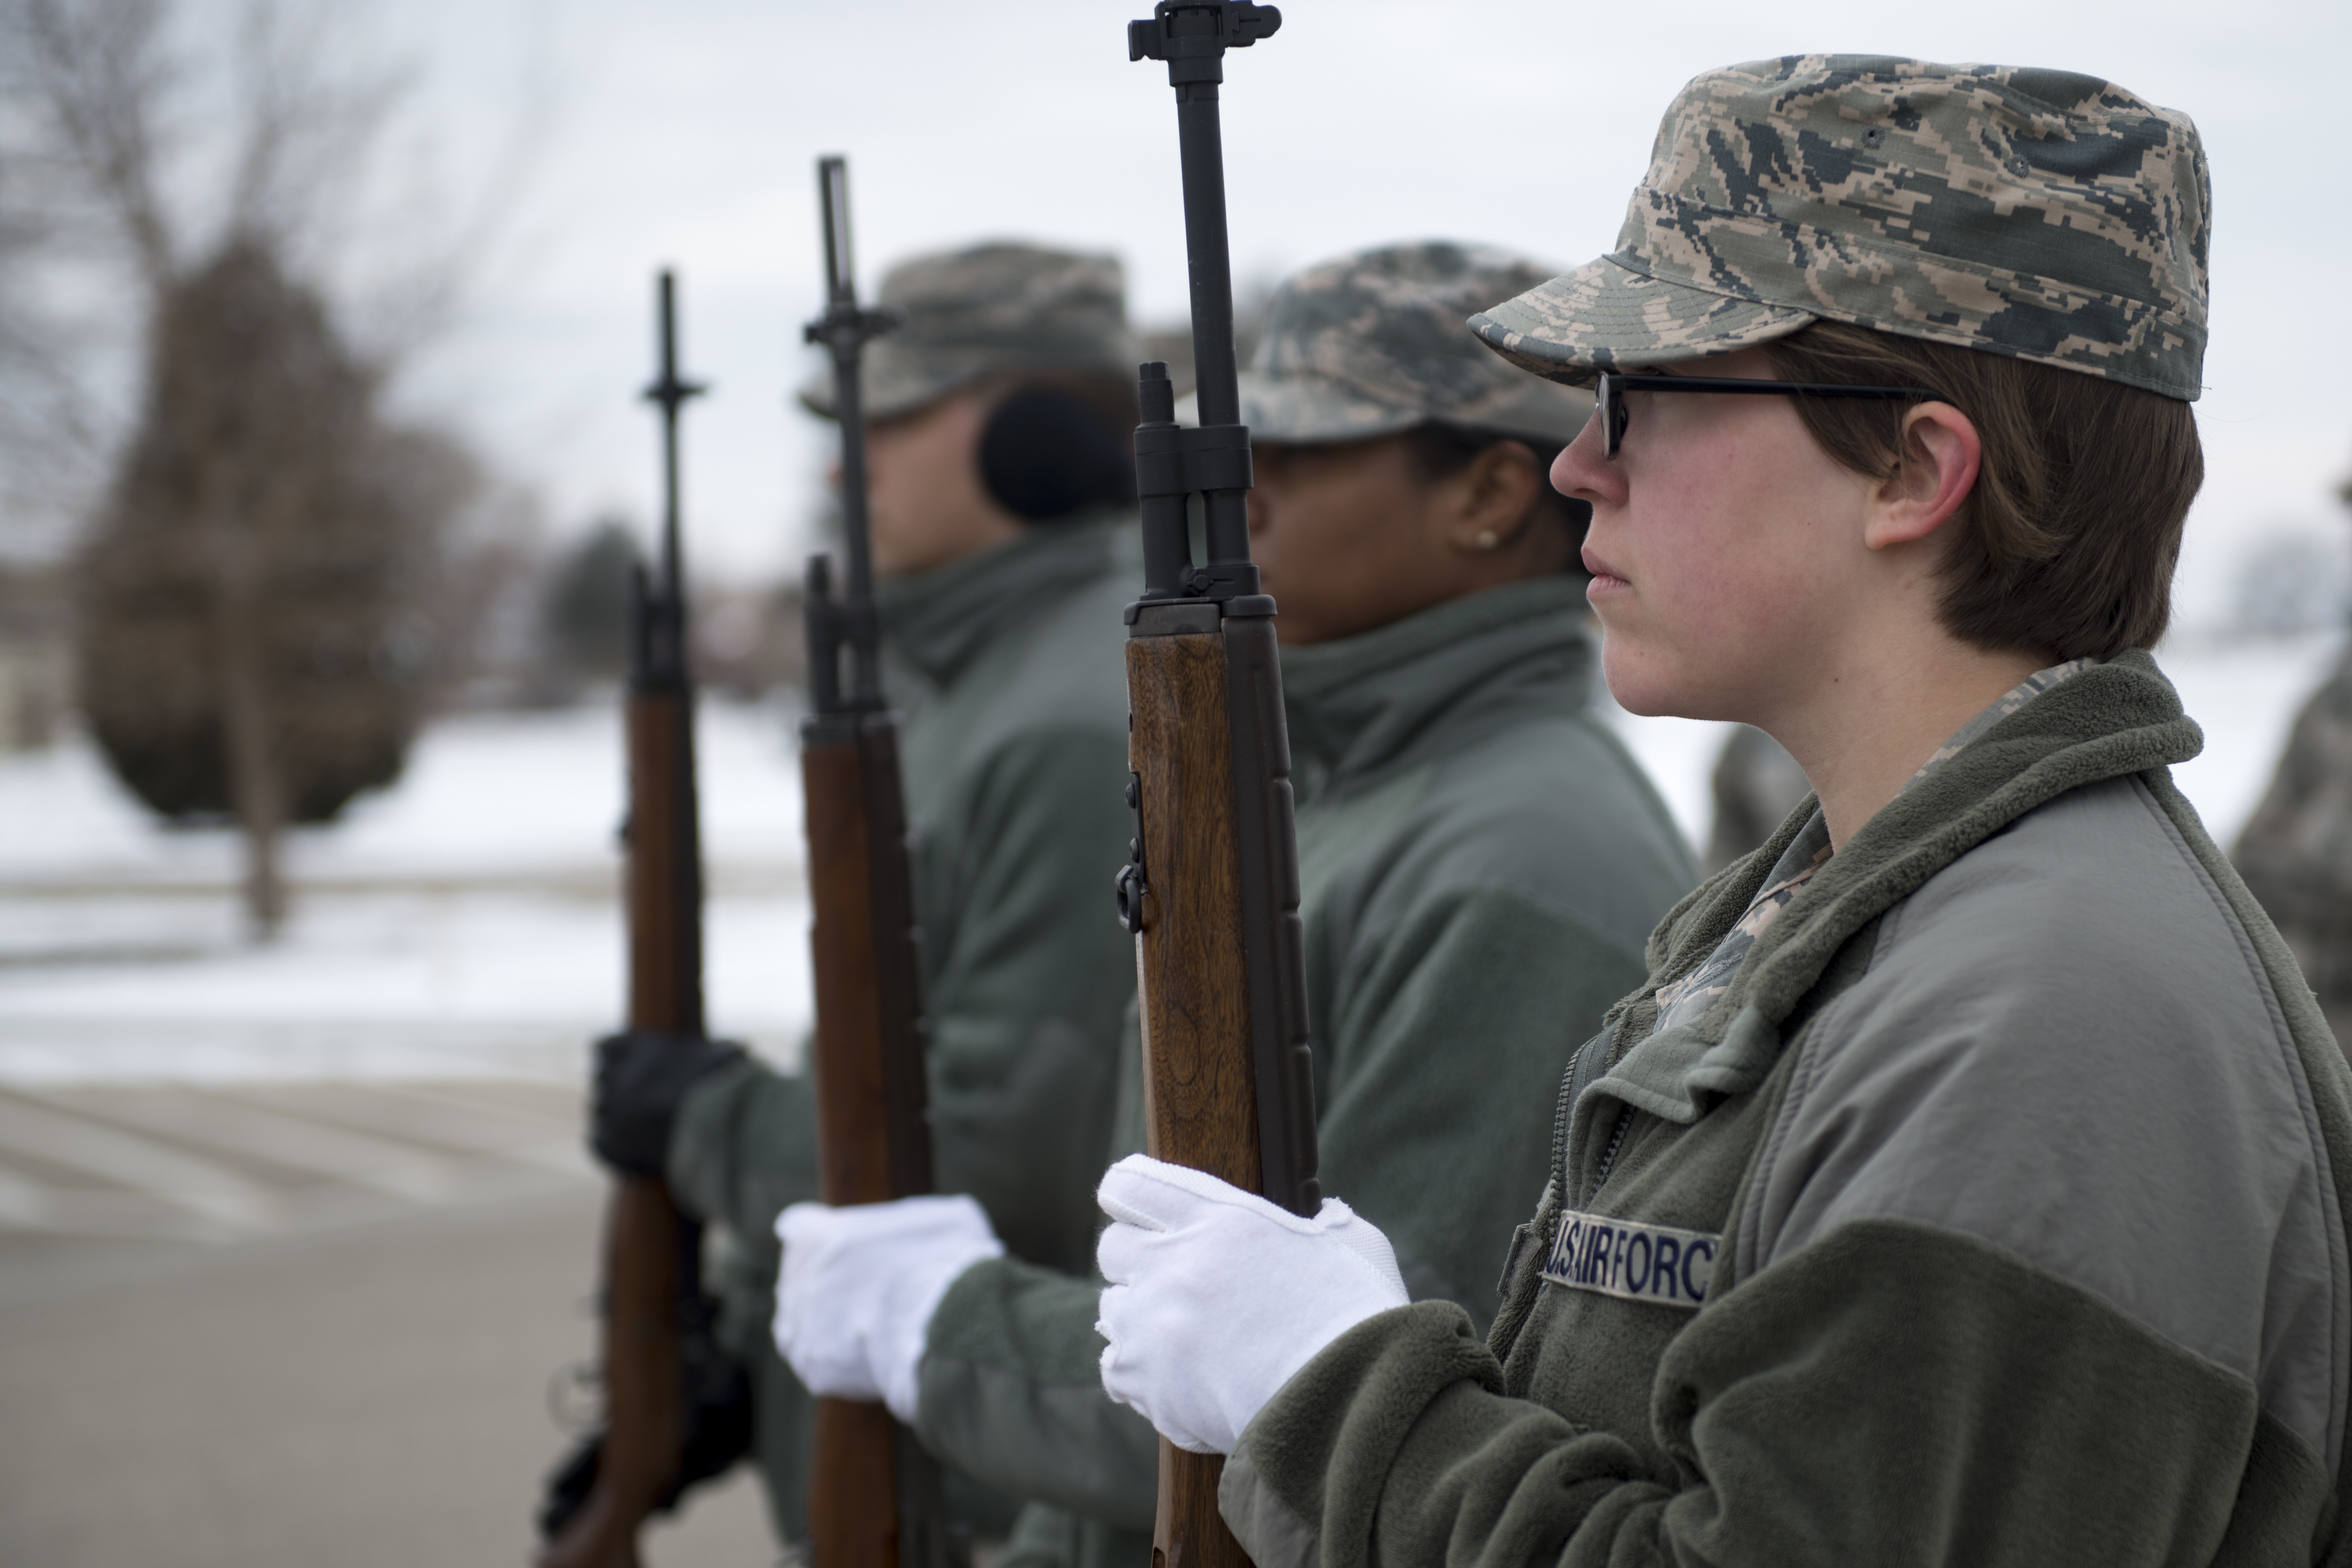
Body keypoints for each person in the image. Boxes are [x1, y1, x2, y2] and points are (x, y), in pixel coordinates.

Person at [1091, 56, 2352, 1565]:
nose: (1579, 466)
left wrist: (1336, 1397)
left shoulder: (2040, 1021)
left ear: (1912, 470)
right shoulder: (1871, 923)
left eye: (1641, 396)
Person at [768, 240, 1699, 1568]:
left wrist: (942, 1323)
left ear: (1490, 494)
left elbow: (1332, 1404)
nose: (1240, 487)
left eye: (1301, 450)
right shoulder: (1348, 797)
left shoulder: (1519, 855)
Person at [590, 241, 1147, 1542]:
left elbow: (1001, 1154)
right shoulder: (977, 677)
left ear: (1036, 432)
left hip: (1000, 1502)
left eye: (889, 418)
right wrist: (740, 1360)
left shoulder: (1071, 716)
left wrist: (710, 1122)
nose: (847, 465)